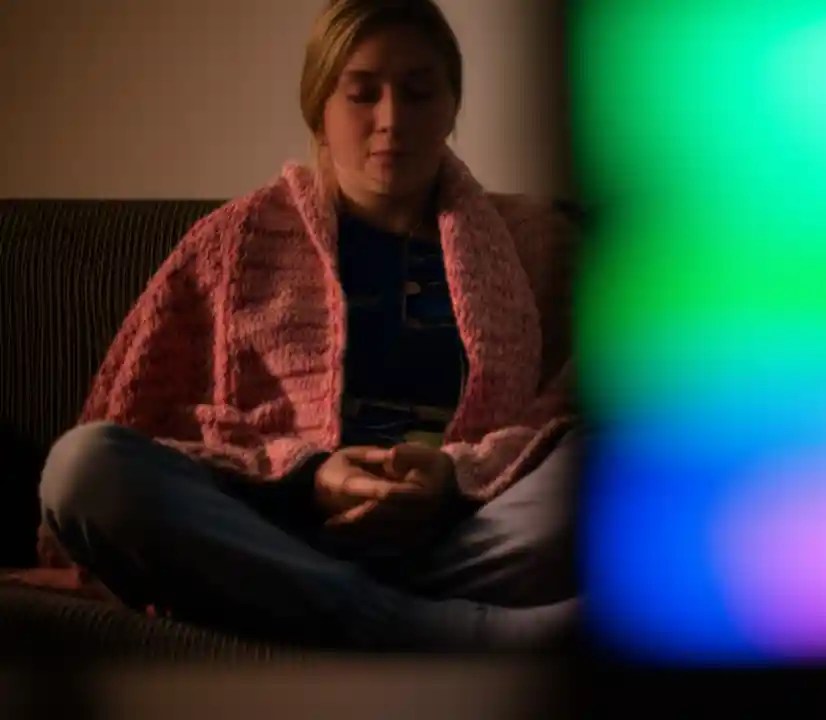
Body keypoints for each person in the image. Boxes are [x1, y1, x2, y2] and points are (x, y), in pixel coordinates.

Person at [35, 0, 580, 652]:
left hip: (464, 537)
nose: (391, 120)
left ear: (452, 106)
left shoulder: (535, 242)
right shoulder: (229, 245)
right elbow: (148, 426)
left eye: (418, 92)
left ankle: (349, 614)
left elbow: (564, 418)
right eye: (361, 94)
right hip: (274, 537)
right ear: (318, 106)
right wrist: (310, 475)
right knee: (84, 468)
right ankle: (435, 627)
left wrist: (453, 476)